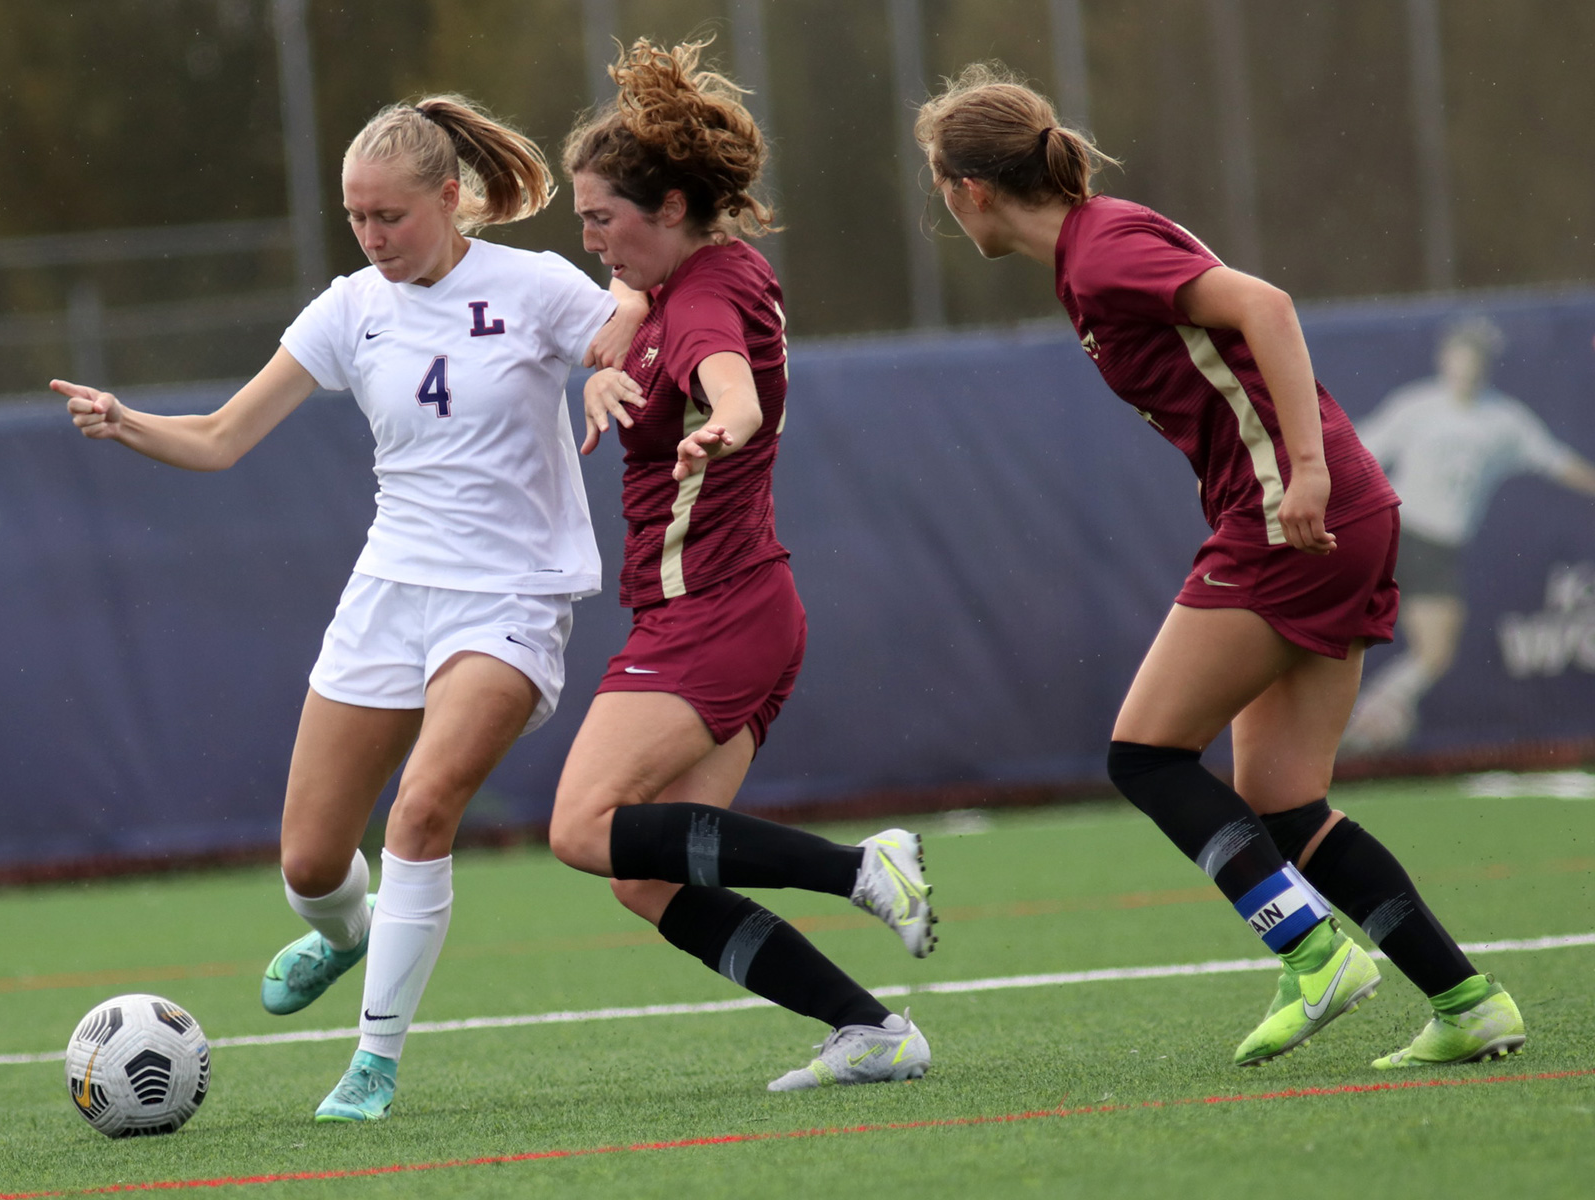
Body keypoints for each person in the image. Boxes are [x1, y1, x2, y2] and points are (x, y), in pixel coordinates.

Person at [912, 63, 1525, 1069]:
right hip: (1320, 515)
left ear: (967, 188)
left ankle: (1313, 951)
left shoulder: (1104, 249)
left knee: (1145, 754)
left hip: (1292, 521)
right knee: (1283, 798)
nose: (946, 208)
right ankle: (1466, 1000)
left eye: (941, 188)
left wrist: (1308, 473)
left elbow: (1268, 307)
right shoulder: (1087, 257)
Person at [53, 95, 646, 1122]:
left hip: (510, 597)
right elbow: (224, 437)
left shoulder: (534, 285)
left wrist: (608, 364)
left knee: (421, 811)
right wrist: (125, 422)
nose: (373, 237)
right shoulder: (349, 307)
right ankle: (348, 934)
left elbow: (634, 311)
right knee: (313, 863)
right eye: (356, 217)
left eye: (392, 217)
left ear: (450, 199)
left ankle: (373, 1062)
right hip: (390, 593)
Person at [546, 36, 935, 1094]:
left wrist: (721, 424)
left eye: (601, 219)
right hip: (746, 604)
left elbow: (734, 389)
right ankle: (870, 1030)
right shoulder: (700, 274)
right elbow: (639, 322)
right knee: (643, 876)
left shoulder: (706, 299)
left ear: (669, 205)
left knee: (583, 829)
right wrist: (604, 366)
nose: (591, 243)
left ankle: (865, 869)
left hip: (711, 614)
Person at [1345, 315, 1595, 751]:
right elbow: (1357, 454)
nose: (1467, 364)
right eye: (1461, 352)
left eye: (1476, 355)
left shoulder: (1505, 420)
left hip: (1441, 549)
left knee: (1436, 653)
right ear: (1445, 357)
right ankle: (1338, 725)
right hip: (1392, 532)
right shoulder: (1416, 406)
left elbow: (1558, 462)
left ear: (1487, 362)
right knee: (1340, 635)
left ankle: (1370, 718)